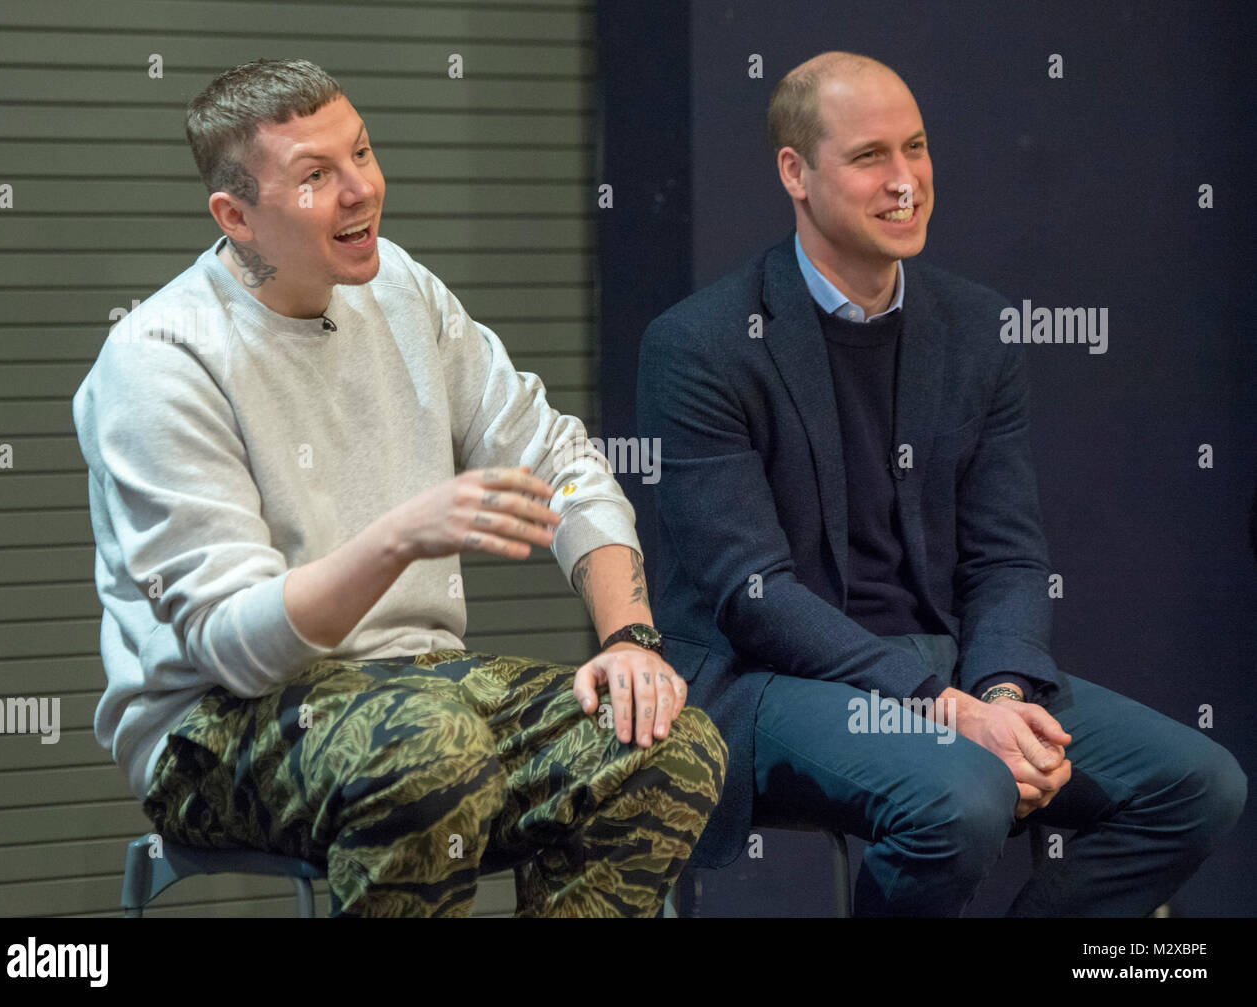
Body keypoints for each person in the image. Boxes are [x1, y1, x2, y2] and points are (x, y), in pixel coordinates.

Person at [72, 58, 725, 918]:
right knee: (429, 752)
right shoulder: (161, 359)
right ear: (237, 218)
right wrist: (398, 537)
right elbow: (234, 648)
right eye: (316, 177)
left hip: (424, 685)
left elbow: (559, 456)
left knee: (664, 744)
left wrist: (630, 636)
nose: (362, 190)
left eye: (364, 152)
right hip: (216, 727)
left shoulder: (404, 288)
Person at [635, 50, 1245, 916]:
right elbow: (751, 594)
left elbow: (1007, 558)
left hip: (947, 666)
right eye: (870, 156)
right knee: (962, 795)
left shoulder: (975, 330)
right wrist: (942, 707)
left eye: (915, 148)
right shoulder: (699, 344)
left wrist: (998, 693)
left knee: (1198, 782)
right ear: (795, 173)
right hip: (765, 680)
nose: (904, 181)